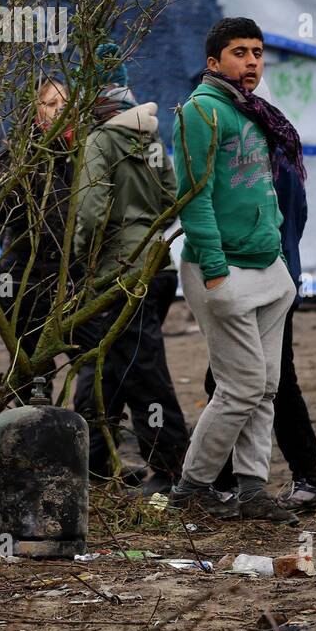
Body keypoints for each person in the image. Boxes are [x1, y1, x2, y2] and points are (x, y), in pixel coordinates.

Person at [170, 17, 298, 524]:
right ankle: (191, 488)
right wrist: (216, 268)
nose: (251, 62)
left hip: (268, 267)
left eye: (257, 53)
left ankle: (250, 489)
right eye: (239, 52)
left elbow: (264, 190)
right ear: (213, 62)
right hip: (221, 269)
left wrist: (281, 256)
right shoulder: (202, 112)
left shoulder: (255, 113)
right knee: (241, 386)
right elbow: (193, 195)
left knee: (266, 385)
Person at [204, 74, 316, 511]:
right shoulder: (281, 154)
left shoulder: (262, 162)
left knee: (255, 381)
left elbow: (279, 222)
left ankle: (298, 478)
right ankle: (236, 481)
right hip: (273, 278)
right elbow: (298, 218)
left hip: (263, 280)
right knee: (248, 379)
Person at [72, 44, 189, 494]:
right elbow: (170, 194)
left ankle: (175, 467)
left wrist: (84, 259)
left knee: (141, 367)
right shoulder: (149, 136)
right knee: (113, 365)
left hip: (118, 270)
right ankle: (97, 463)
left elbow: (90, 209)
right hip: (157, 265)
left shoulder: (100, 139)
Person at [0, 78, 73, 402]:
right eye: (50, 104)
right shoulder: (17, 152)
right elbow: (4, 212)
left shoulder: (76, 151)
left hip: (67, 271)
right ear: (35, 109)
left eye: (64, 104)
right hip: (25, 269)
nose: (58, 112)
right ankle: (29, 430)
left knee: (92, 350)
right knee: (31, 364)